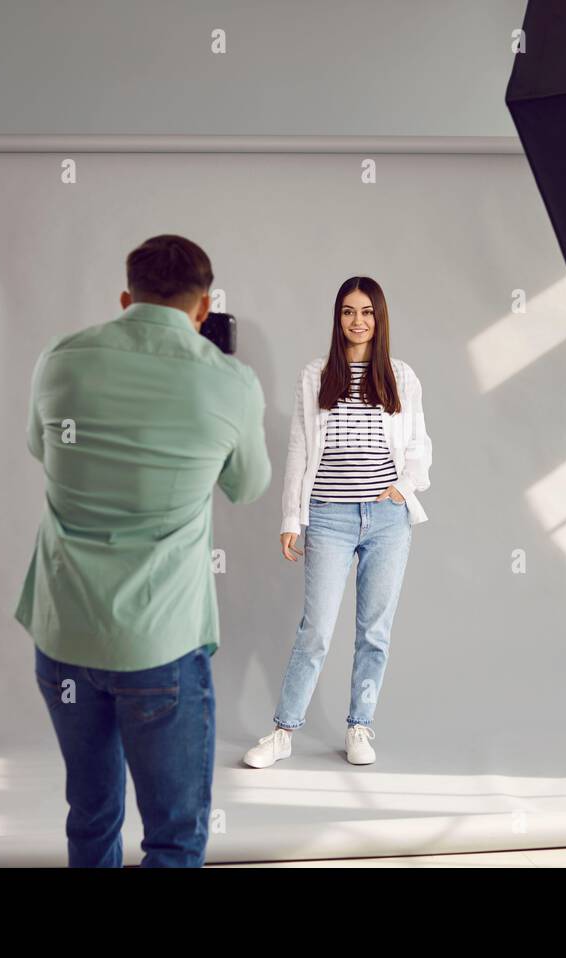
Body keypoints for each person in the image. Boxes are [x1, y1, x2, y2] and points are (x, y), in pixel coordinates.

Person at [17, 235, 270, 866]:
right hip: (160, 646)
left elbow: (41, 449)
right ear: (204, 308)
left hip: (66, 636)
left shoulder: (60, 359)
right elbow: (249, 487)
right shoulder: (230, 382)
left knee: (91, 812)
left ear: (126, 297)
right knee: (174, 834)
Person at [244, 276, 431, 769]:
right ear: (337, 317)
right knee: (317, 629)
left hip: (388, 520)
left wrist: (403, 490)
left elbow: (419, 447)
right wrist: (291, 517)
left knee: (375, 631)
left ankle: (359, 726)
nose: (357, 321)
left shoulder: (401, 376)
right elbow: (300, 448)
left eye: (366, 311)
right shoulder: (315, 375)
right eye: (348, 311)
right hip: (328, 516)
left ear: (380, 317)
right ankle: (284, 731)